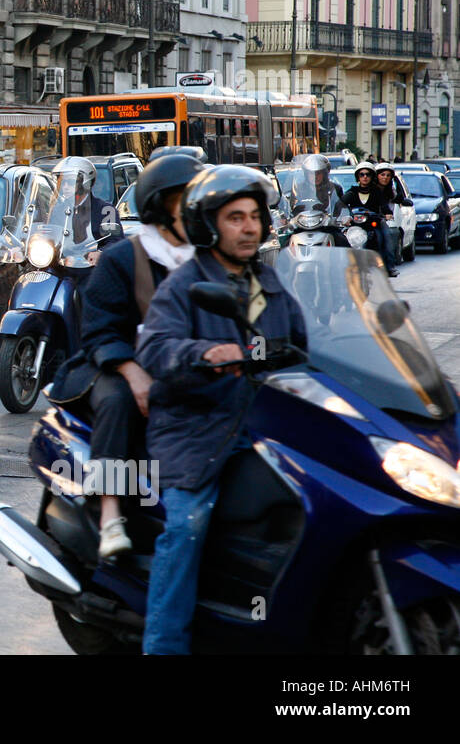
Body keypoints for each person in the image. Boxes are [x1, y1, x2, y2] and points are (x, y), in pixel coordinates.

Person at [134, 166, 307, 654]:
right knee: (187, 526)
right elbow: (155, 349)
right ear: (209, 224)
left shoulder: (270, 284)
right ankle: (163, 646)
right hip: (196, 427)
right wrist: (204, 353)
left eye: (255, 217)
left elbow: (302, 344)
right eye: (235, 218)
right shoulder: (185, 284)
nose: (250, 228)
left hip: (265, 424)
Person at [50, 153, 205, 558]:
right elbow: (99, 329)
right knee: (119, 399)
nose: (196, 208)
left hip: (183, 365)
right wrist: (132, 370)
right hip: (115, 363)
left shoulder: (208, 258)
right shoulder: (123, 258)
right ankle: (110, 514)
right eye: (185, 200)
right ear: (160, 206)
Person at [53, 156, 120, 265]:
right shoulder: (58, 210)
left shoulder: (106, 211)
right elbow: (49, 235)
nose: (65, 186)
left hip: (91, 267)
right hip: (61, 266)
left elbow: (115, 241)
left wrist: (100, 253)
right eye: (62, 182)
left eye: (70, 182)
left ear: (86, 182)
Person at [346, 161, 396, 275]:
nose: (365, 177)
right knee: (342, 237)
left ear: (372, 177)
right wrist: (343, 216)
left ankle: (388, 266)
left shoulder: (376, 191)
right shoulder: (352, 191)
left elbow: (384, 205)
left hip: (374, 223)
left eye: (368, 174)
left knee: (385, 237)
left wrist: (387, 214)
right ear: (358, 177)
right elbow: (341, 204)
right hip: (355, 224)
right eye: (362, 174)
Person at [376, 161, 412, 270]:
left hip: (381, 221)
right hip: (365, 220)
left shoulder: (391, 190)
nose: (385, 178)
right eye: (382, 175)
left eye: (388, 175)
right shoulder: (369, 189)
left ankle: (389, 266)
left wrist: (386, 214)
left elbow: (395, 200)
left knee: (388, 236)